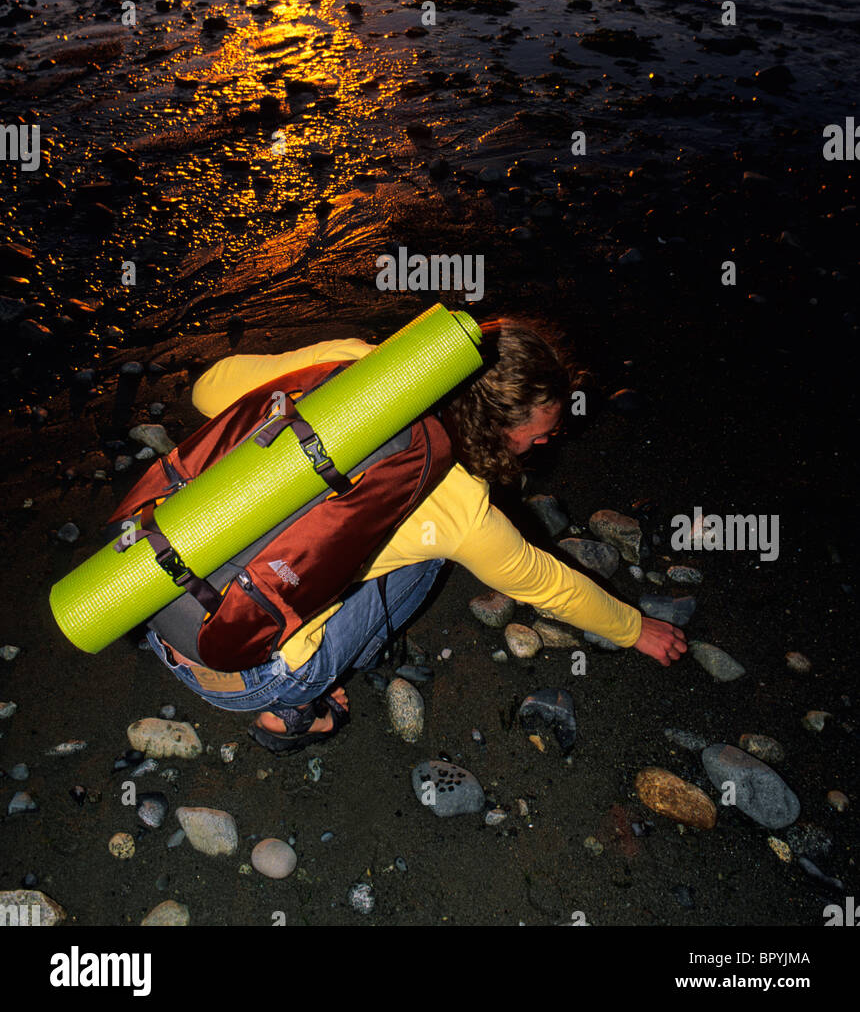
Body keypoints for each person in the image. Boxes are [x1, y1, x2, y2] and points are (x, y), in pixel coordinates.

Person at [146, 318, 686, 753]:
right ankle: (295, 706)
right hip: (247, 675)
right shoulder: (459, 506)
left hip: (150, 593)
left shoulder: (355, 361)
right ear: (497, 428)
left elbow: (207, 389)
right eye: (541, 434)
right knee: (425, 557)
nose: (544, 444)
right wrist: (635, 628)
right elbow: (549, 586)